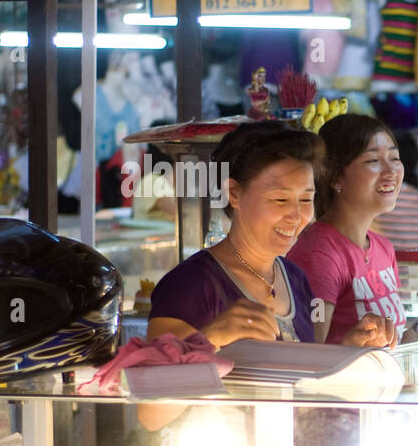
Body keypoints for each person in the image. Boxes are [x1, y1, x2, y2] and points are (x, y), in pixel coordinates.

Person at [147, 120, 390, 349]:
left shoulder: (296, 278)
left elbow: (304, 372)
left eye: (306, 199)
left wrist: (349, 349)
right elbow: (153, 373)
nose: (296, 216)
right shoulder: (189, 284)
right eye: (280, 199)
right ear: (233, 193)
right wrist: (209, 338)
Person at [286, 114, 407, 346]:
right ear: (335, 177)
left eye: (394, 157)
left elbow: (396, 338)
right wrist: (350, 344)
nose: (391, 171)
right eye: (373, 161)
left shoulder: (384, 248)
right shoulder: (319, 254)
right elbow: (308, 353)